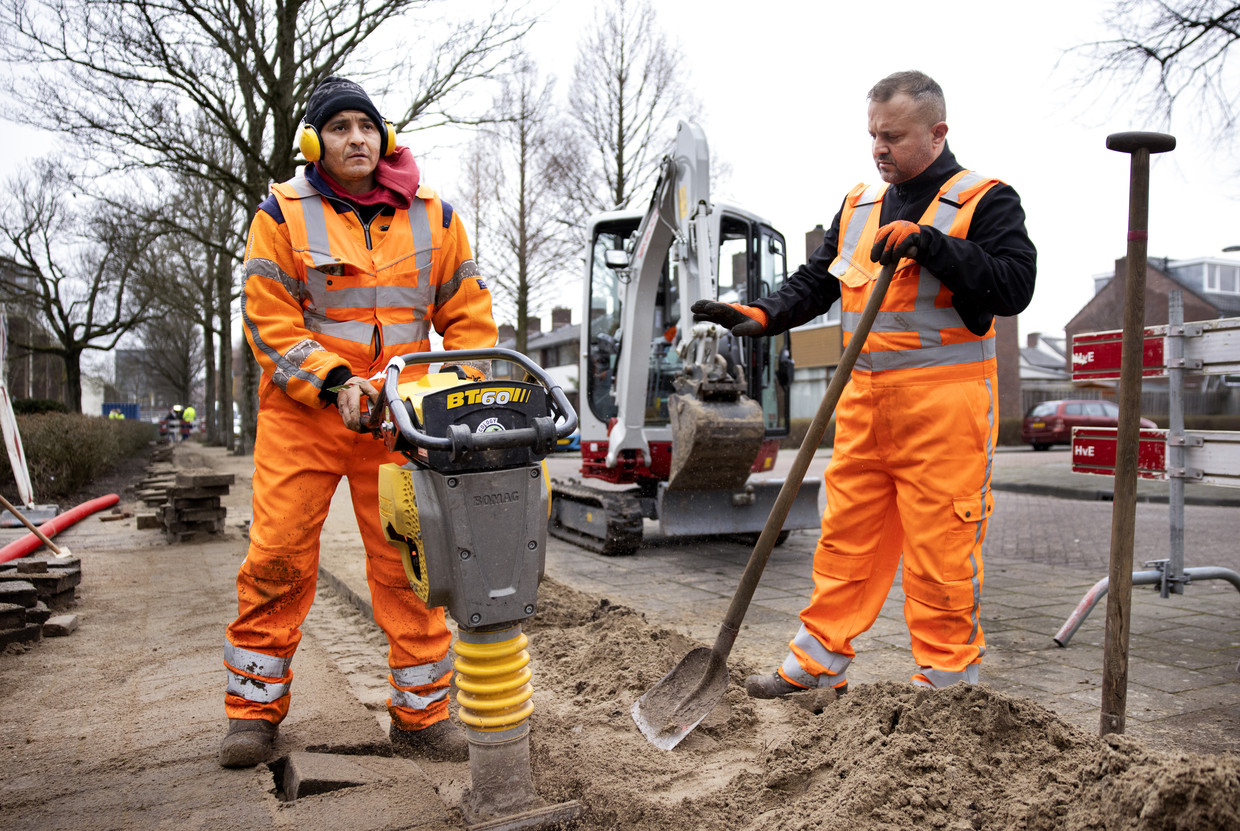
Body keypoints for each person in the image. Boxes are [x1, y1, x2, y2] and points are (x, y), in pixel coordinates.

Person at [692, 70, 1036, 696]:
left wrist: (932, 246)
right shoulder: (859, 206)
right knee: (845, 542)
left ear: (937, 133)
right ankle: (815, 668)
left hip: (945, 417)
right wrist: (764, 315)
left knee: (941, 553)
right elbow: (819, 279)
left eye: (894, 136)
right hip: (862, 412)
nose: (879, 148)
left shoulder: (985, 199)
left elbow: (1014, 286)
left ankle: (948, 684)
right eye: (873, 135)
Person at [220, 76, 497, 768]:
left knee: (414, 563)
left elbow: (467, 320)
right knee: (277, 557)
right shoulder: (281, 214)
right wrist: (336, 381)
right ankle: (253, 714)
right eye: (340, 128)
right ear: (314, 142)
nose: (357, 139)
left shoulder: (434, 217)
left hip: (401, 419)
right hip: (303, 415)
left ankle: (423, 715)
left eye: (367, 127)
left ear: (386, 137)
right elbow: (269, 318)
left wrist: (455, 395)